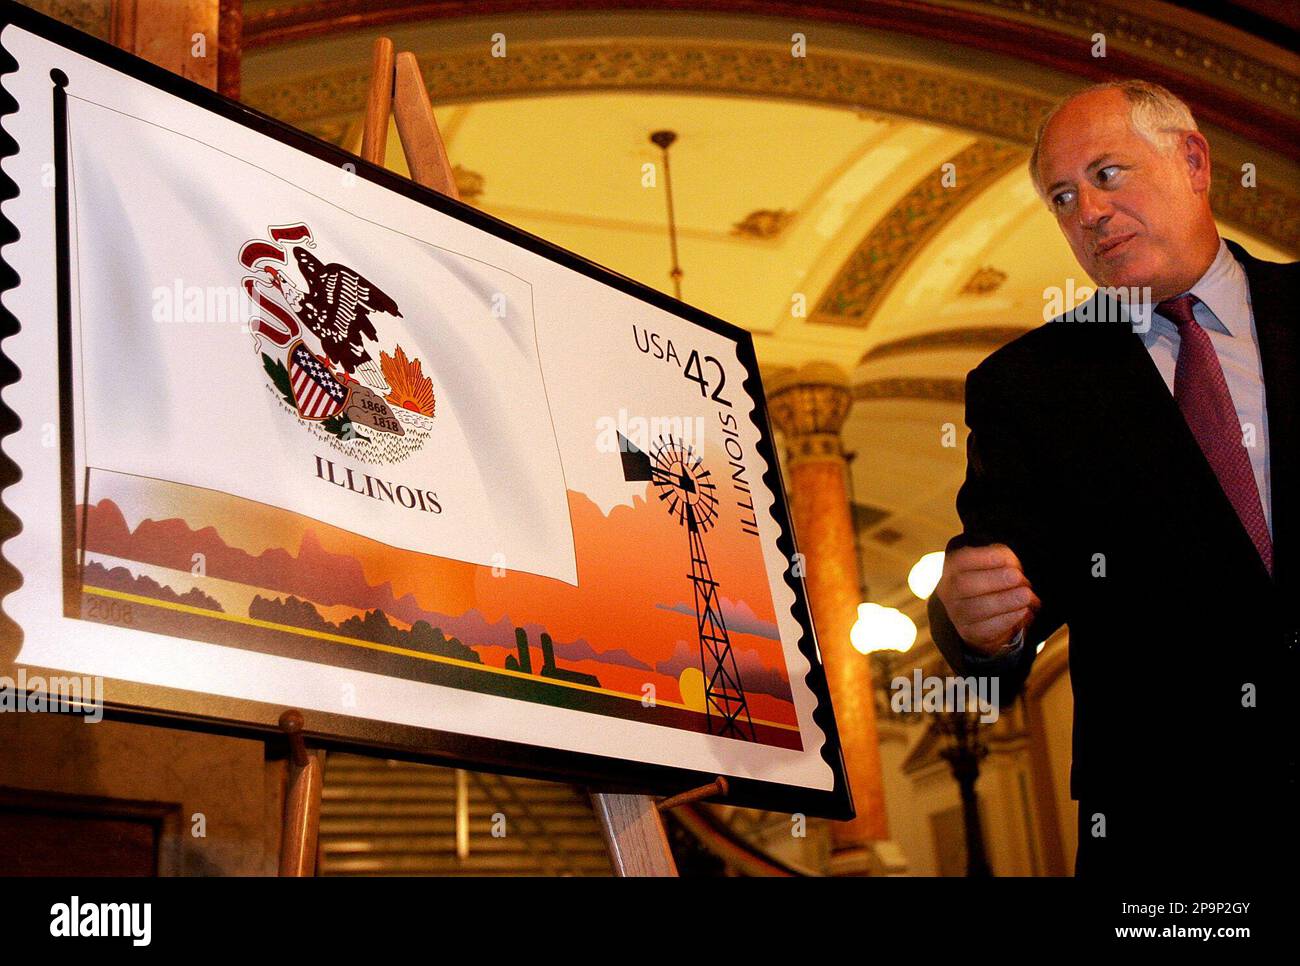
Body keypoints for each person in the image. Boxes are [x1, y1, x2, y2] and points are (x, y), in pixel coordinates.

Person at [928, 80, 1296, 879]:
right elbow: (994, 597)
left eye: (1107, 174)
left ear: (1192, 161)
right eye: (1062, 197)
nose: (1086, 212)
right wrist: (970, 620)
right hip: (1175, 836)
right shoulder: (1026, 388)